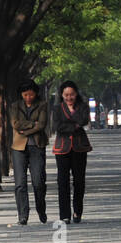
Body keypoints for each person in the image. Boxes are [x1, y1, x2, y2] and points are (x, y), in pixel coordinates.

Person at [51, 79, 92, 223]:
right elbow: (57, 127)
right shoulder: (57, 109)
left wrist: (71, 123)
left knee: (79, 181)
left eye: (72, 94)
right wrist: (74, 125)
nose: (69, 98)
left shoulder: (83, 106)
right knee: (62, 182)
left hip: (80, 147)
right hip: (62, 148)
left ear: (76, 94)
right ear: (61, 95)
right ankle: (64, 214)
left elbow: (83, 121)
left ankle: (77, 212)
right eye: (66, 95)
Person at [9, 79, 48, 225]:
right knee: (20, 183)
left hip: (37, 146)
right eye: (25, 95)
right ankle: (23, 215)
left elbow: (42, 125)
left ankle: (41, 209)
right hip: (19, 148)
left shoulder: (42, 104)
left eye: (31, 95)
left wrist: (25, 129)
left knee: (38, 182)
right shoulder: (15, 106)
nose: (28, 98)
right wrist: (33, 124)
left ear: (35, 94)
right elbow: (15, 124)